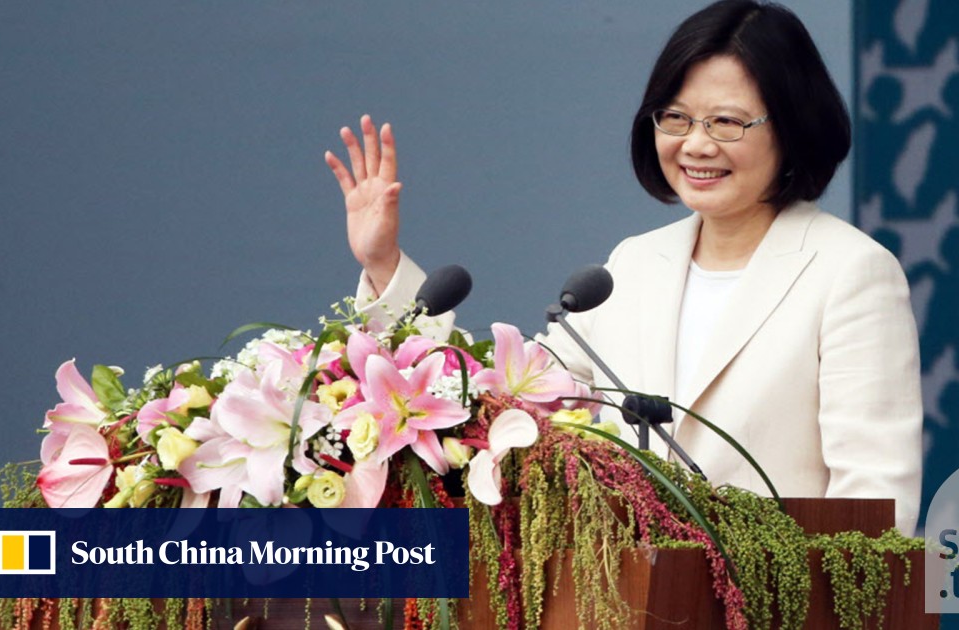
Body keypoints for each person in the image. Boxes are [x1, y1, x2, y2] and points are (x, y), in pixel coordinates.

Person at [324, 0, 922, 536]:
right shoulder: (634, 266)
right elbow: (500, 402)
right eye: (676, 117)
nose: (697, 145)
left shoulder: (849, 273)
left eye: (727, 122)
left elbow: (875, 504)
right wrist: (383, 264)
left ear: (791, 128)